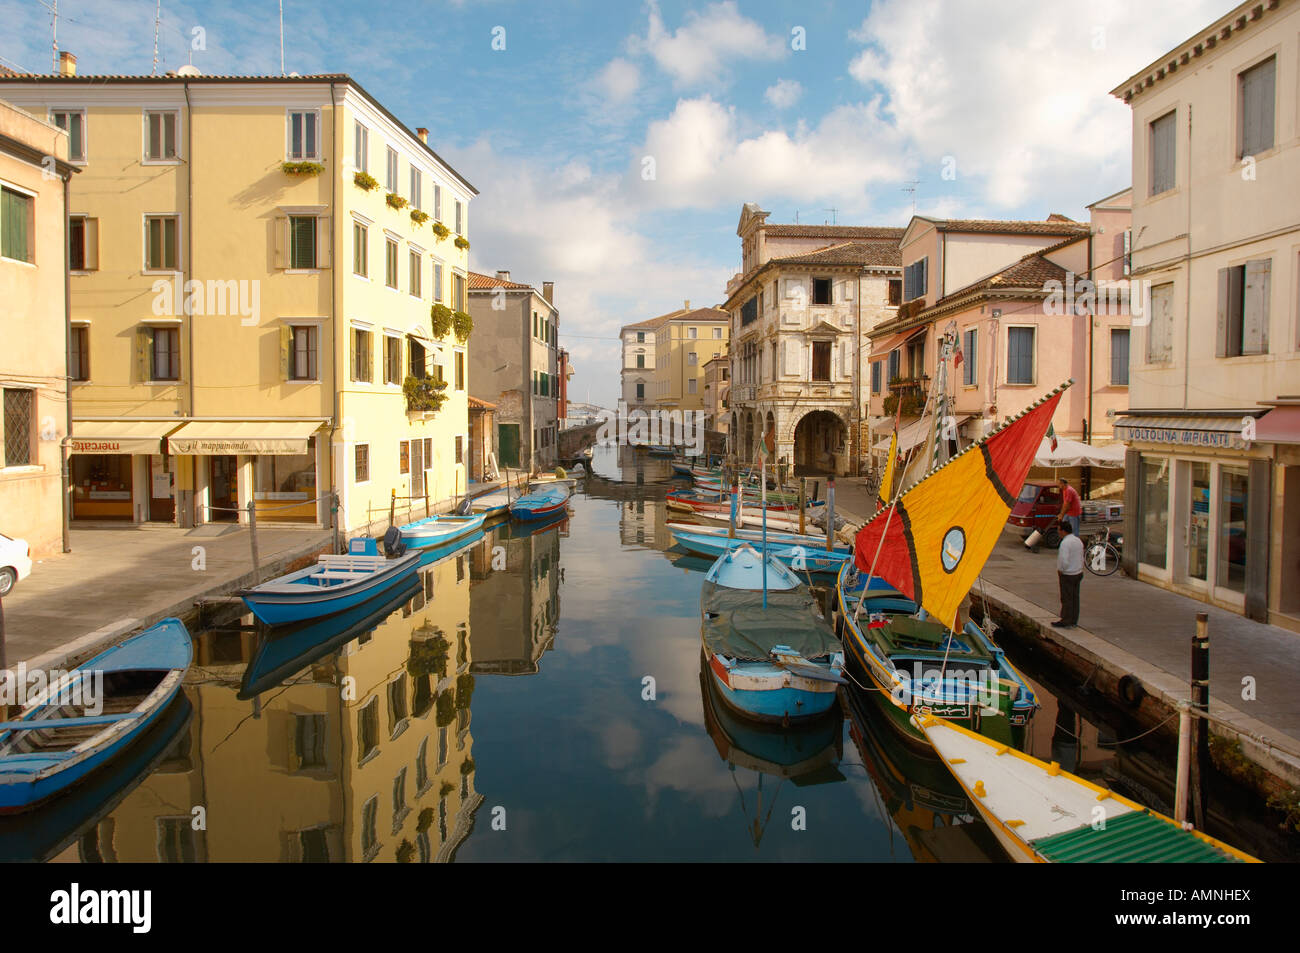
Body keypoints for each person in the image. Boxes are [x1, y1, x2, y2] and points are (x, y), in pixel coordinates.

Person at [1054, 520, 1083, 629]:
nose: (1058, 532)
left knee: (1066, 598)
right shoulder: (1078, 541)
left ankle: (1065, 620)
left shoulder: (1065, 543)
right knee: (1075, 598)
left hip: (1068, 574)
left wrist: (1060, 570)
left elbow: (1064, 560)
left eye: (1058, 530)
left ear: (1063, 531)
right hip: (1078, 572)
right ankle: (1073, 620)